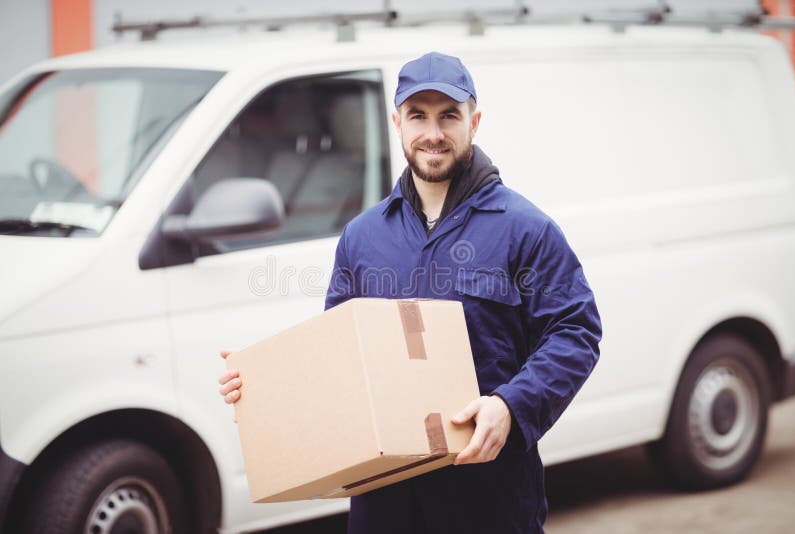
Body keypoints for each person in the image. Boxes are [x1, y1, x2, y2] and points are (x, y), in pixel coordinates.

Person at [219, 51, 602, 534]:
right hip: (384, 503)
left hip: (488, 498)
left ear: (474, 122)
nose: (433, 133)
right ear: (397, 122)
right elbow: (339, 360)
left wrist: (511, 406)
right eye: (418, 116)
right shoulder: (362, 236)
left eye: (449, 116)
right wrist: (264, 386)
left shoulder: (525, 230)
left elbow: (576, 332)